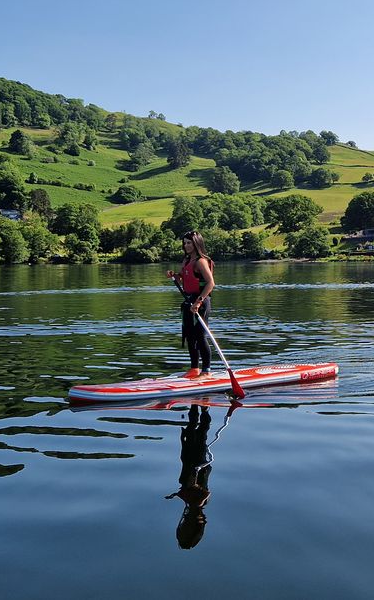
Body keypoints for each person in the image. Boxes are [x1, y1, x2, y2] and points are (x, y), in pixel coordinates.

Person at [167, 230, 215, 379]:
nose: (186, 245)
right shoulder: (186, 260)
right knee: (189, 336)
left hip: (201, 302)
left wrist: (198, 302)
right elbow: (183, 279)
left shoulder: (200, 261)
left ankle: (206, 371)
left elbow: (210, 283)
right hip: (188, 301)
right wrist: (175, 276)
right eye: (185, 243)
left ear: (196, 243)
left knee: (200, 336)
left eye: (189, 243)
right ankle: (194, 369)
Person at [165, 404, 212, 549]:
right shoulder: (198, 510)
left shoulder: (190, 511)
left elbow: (188, 494)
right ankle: (203, 409)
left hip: (188, 467)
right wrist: (191, 493)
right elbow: (205, 493)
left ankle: (194, 406)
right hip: (197, 465)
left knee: (191, 432)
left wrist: (177, 494)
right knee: (201, 433)